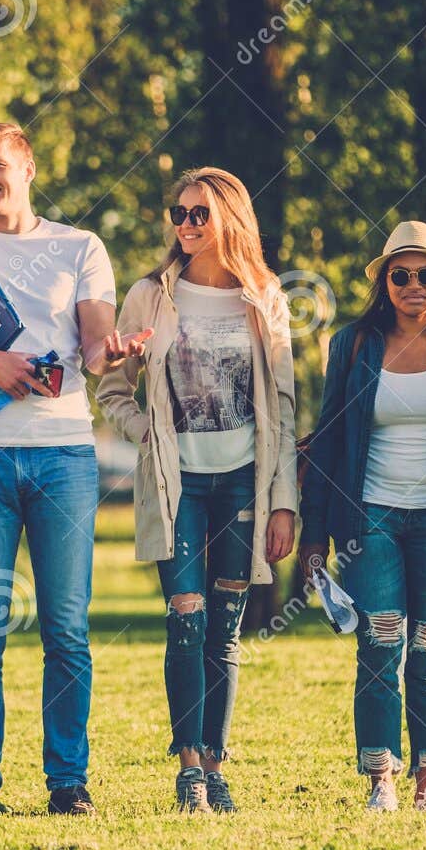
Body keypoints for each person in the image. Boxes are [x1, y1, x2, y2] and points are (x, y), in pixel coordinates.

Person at [0, 122, 148, 817]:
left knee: (66, 626)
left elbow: (94, 348)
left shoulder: (79, 247)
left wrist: (120, 349)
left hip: (64, 456)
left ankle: (67, 780)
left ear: (27, 167)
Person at [98, 168, 297, 813]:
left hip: (245, 480)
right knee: (186, 617)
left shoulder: (264, 298)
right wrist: (150, 433)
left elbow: (286, 408)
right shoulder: (149, 298)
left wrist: (285, 500)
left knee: (227, 629)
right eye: (179, 214)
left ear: (230, 220)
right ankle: (188, 772)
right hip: (177, 485)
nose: (185, 226)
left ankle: (216, 767)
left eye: (199, 215)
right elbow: (110, 387)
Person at [299, 221, 426, 814]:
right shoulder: (354, 345)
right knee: (381, 642)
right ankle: (381, 778)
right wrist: (315, 535)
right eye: (401, 275)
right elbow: (329, 443)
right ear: (385, 283)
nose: (414, 285)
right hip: (370, 521)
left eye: (425, 274)